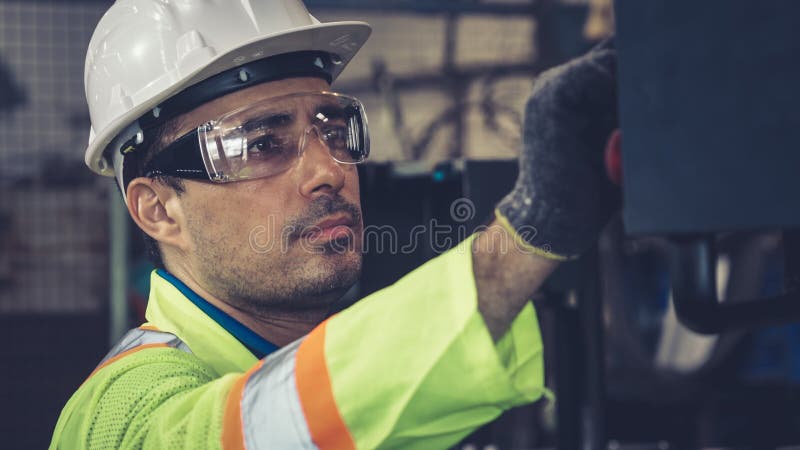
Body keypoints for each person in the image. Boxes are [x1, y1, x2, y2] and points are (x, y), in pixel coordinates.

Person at [50, 0, 618, 448]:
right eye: (261, 143)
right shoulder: (119, 414)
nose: (329, 170)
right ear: (158, 209)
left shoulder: (344, 367)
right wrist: (525, 236)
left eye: (333, 127)